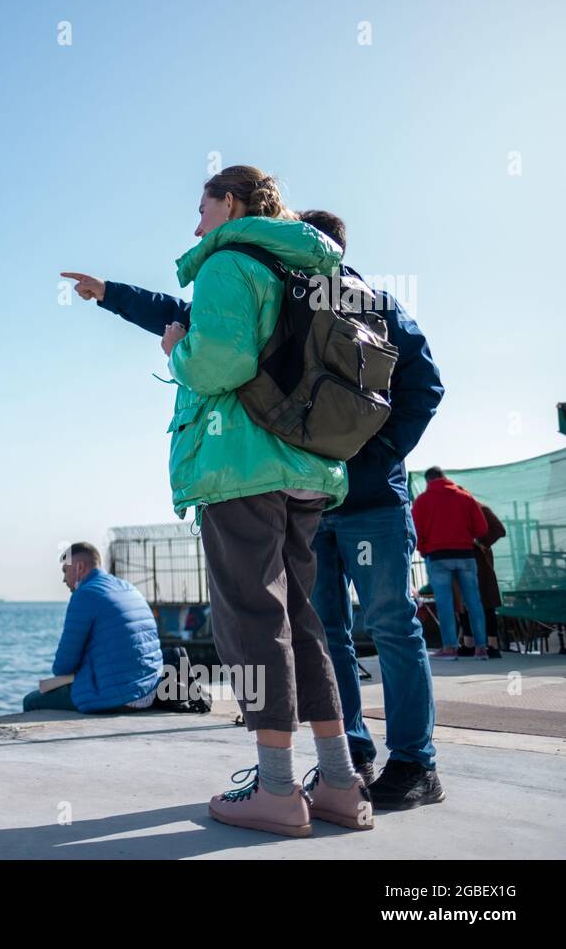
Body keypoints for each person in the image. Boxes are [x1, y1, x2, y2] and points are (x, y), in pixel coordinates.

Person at [69, 209, 447, 809]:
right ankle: (347, 758)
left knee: (392, 625)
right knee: (324, 632)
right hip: (312, 496)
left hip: (366, 496)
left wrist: (358, 463)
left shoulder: (372, 305)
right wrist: (111, 294)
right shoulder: (280, 297)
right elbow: (193, 318)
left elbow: (424, 387)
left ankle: (414, 764)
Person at [22, 542, 163, 713]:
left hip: (120, 697)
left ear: (79, 567)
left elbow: (62, 667)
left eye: (65, 571)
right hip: (149, 692)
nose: (64, 579)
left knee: (31, 701)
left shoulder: (85, 594)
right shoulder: (129, 588)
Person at [412, 469, 490, 660]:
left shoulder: (422, 501)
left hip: (438, 557)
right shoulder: (465, 497)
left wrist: (424, 549)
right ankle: (481, 647)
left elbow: (415, 531)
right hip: (465, 554)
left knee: (445, 603)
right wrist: (465, 536)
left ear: (428, 480)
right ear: (444, 477)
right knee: (474, 602)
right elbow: (482, 528)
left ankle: (449, 647)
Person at [455, 502, 505, 657]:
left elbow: (499, 529)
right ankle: (469, 644)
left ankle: (493, 645)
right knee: (462, 604)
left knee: (486, 604)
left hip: (480, 563)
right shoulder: (453, 510)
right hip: (460, 560)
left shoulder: (480, 509)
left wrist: (480, 542)